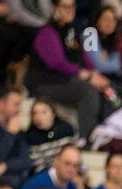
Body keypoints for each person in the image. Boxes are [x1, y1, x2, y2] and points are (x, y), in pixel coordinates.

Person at [25, 0, 112, 139]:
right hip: (45, 83)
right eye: (65, 6)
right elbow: (57, 63)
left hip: (66, 80)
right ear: (55, 8)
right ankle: (86, 138)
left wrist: (95, 73)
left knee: (107, 86)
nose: (70, 10)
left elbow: (84, 57)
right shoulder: (47, 31)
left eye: (72, 6)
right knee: (87, 90)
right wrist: (87, 76)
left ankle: (107, 133)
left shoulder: (73, 29)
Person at [22, 96, 77, 173]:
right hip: (44, 176)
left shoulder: (65, 129)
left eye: (43, 112)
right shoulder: (29, 137)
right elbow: (36, 165)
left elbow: (74, 155)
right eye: (35, 113)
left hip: (67, 172)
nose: (39, 116)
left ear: (53, 114)